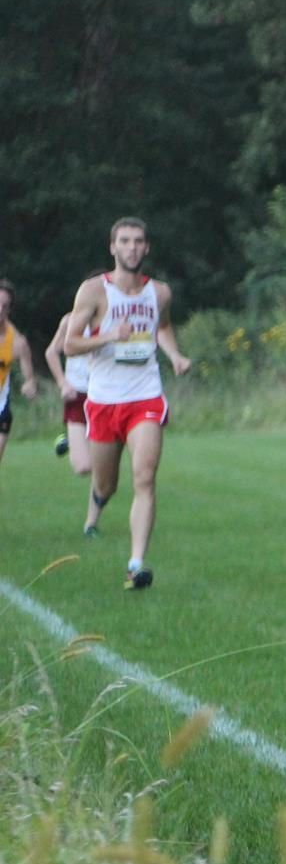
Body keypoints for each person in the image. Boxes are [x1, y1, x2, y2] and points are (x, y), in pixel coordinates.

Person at [64, 219, 193, 588]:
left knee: (146, 477)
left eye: (138, 241)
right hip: (104, 400)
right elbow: (71, 344)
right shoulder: (94, 291)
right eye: (125, 241)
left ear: (147, 248)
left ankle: (136, 564)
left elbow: (162, 326)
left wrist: (175, 355)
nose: (132, 247)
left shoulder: (160, 293)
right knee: (106, 484)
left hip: (145, 395)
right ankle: (98, 501)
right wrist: (107, 336)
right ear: (112, 248)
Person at [48, 309, 97, 476]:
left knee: (99, 467)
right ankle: (73, 439)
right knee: (83, 467)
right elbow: (51, 352)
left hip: (103, 395)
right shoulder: (69, 321)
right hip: (77, 395)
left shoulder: (111, 322)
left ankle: (75, 439)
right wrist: (63, 384)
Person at [0, 280, 40, 471]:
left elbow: (29, 378)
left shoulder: (17, 342)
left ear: (10, 310)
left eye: (4, 306)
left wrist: (29, 385)